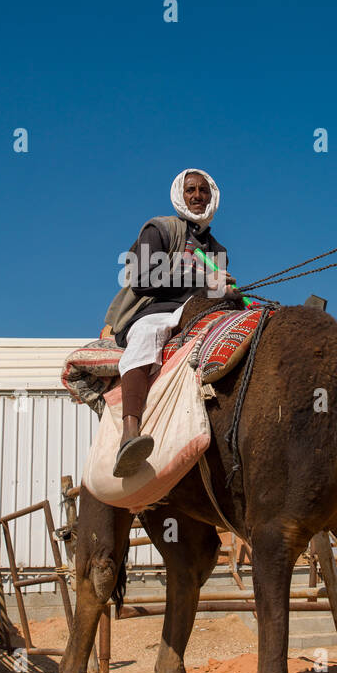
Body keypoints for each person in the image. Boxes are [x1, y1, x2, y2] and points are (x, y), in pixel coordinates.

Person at [104, 168, 236, 476]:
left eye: (204, 191)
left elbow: (212, 291)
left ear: (212, 196)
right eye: (191, 190)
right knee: (149, 335)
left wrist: (226, 290)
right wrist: (205, 279)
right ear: (180, 194)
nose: (197, 196)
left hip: (200, 312)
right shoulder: (159, 229)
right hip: (155, 310)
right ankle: (130, 431)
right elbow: (142, 278)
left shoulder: (218, 250)